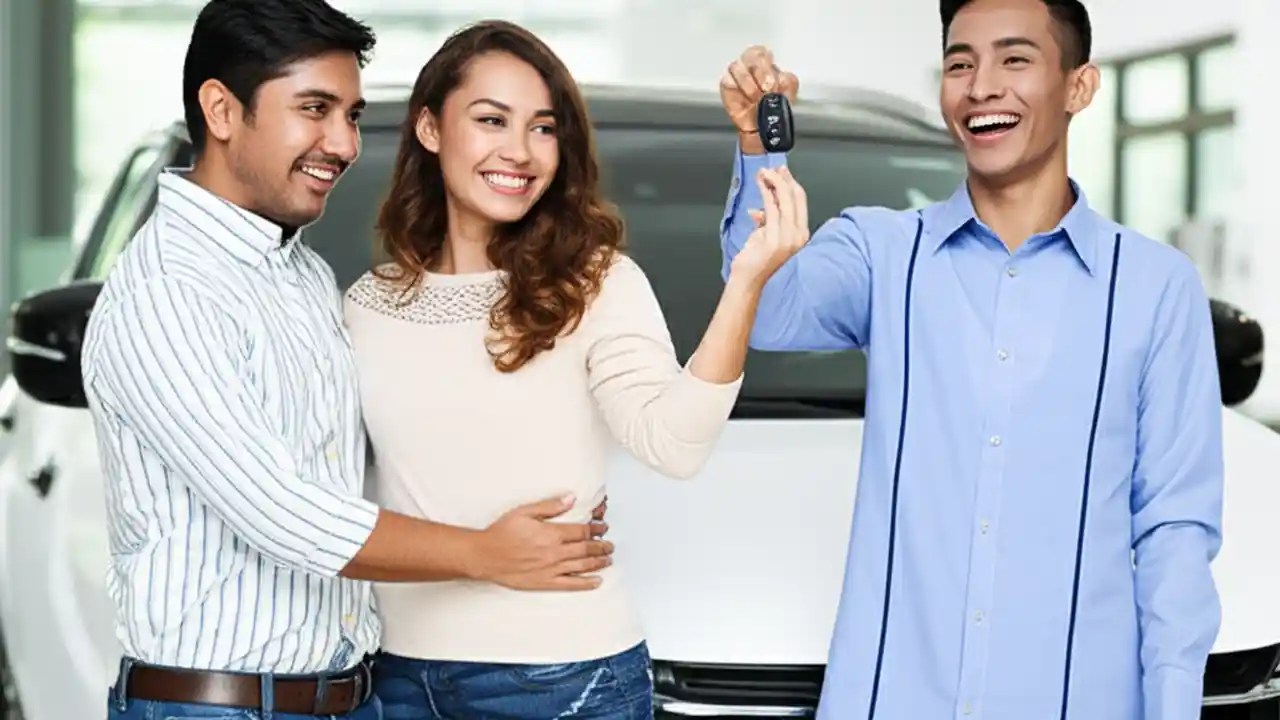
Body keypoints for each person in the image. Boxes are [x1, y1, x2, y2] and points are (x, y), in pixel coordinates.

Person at [79, 3, 615, 719]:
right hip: (219, 706)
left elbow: (373, 453)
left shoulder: (298, 274)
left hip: (348, 698)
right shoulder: (168, 293)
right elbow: (280, 509)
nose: (343, 143)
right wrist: (488, 553)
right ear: (221, 109)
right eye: (315, 109)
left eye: (352, 115)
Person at [717, 1, 1224, 719]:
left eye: (1014, 59)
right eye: (961, 63)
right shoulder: (884, 252)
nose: (981, 85)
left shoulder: (1155, 287)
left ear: (1079, 87)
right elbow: (765, 308)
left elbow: (1175, 528)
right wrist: (757, 149)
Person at [341, 19, 801, 719]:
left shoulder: (597, 284)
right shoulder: (367, 304)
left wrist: (745, 283)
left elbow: (673, 446)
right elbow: (324, 500)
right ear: (430, 129)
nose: (520, 152)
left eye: (544, 128)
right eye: (491, 119)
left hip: (561, 680)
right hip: (392, 677)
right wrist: (479, 551)